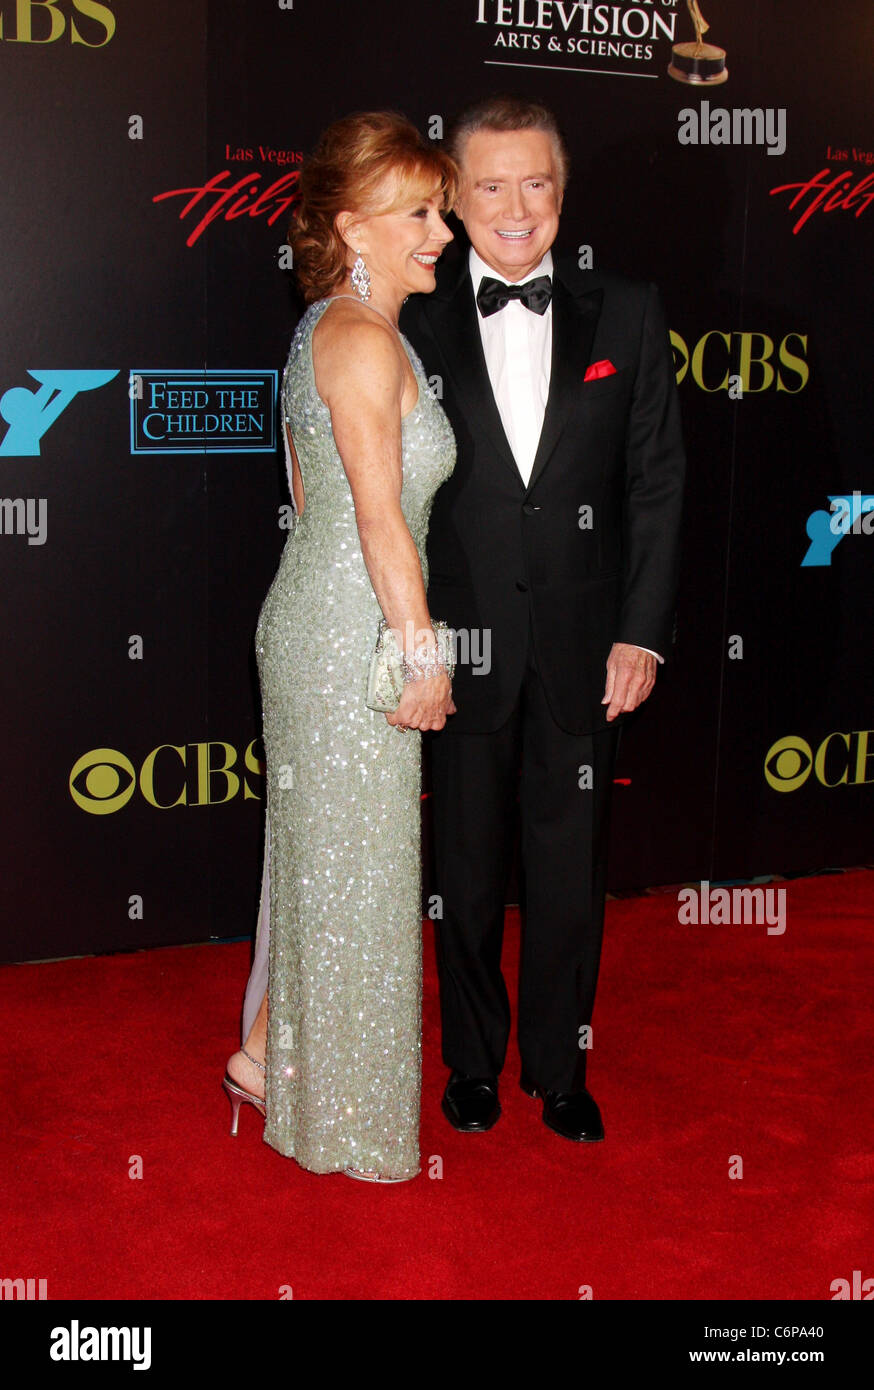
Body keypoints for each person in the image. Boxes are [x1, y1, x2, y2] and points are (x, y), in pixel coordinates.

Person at [400, 96, 685, 1143]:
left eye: (537, 183)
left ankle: (560, 1068)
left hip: (584, 647)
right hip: (459, 645)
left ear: (561, 193)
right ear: (455, 197)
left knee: (570, 877)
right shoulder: (411, 313)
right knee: (463, 875)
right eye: (489, 184)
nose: (516, 207)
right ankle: (469, 1060)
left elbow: (655, 482)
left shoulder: (629, 310)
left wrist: (641, 629)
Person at [224, 112, 457, 1182]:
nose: (442, 232)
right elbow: (372, 517)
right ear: (352, 225)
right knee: (353, 867)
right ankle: (331, 1102)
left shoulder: (330, 324)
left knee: (329, 859)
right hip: (347, 627)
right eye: (419, 211)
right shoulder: (360, 340)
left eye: (441, 209)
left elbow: (305, 499)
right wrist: (420, 652)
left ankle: (271, 1052)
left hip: (314, 615)